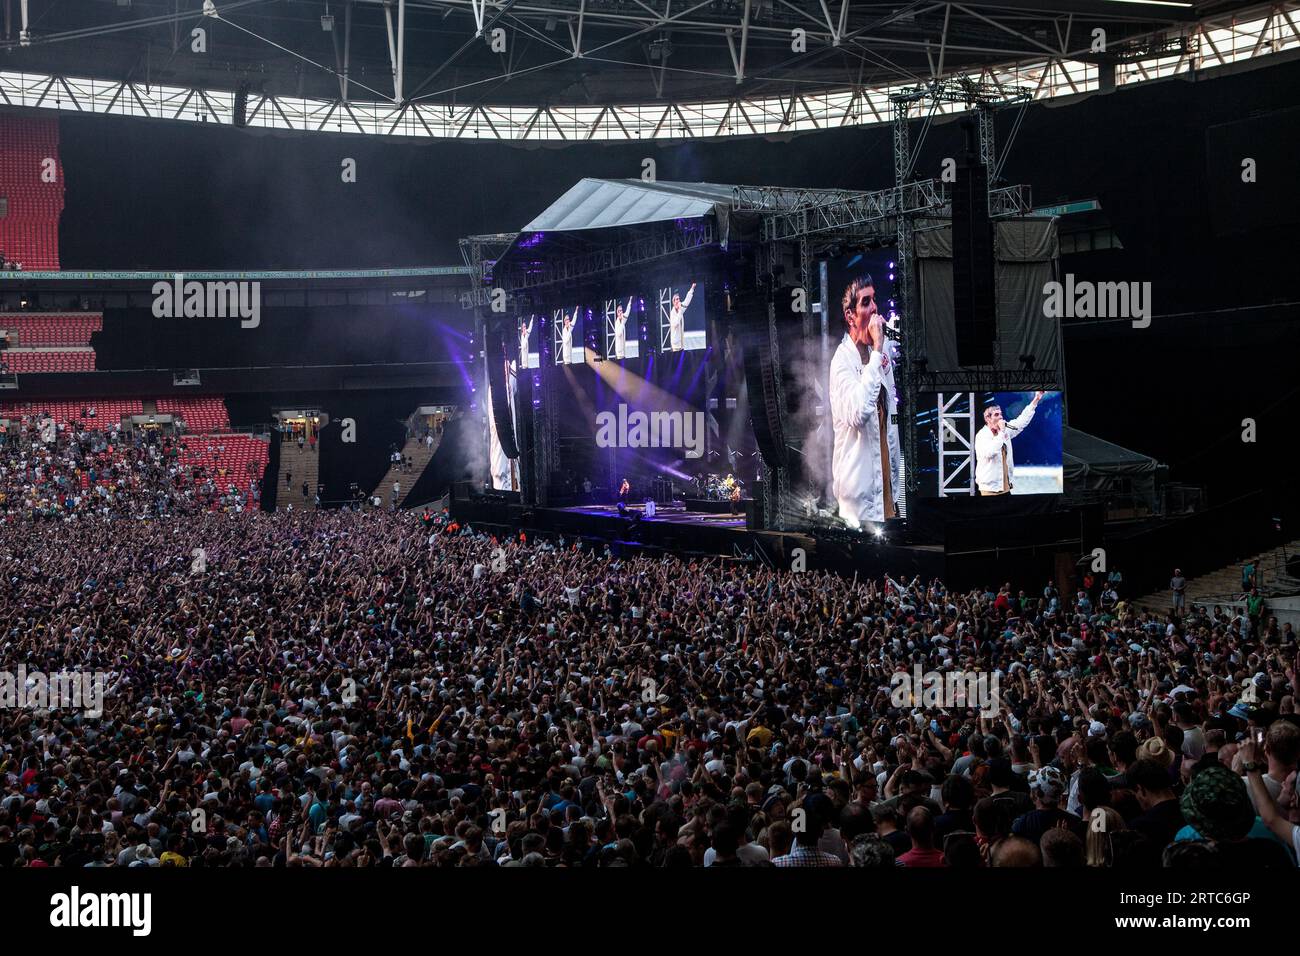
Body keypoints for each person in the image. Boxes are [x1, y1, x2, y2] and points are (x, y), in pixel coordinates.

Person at [829, 275, 899, 530]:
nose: (874, 308)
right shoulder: (841, 362)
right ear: (850, 316)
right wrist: (879, 348)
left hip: (886, 493)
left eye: (875, 300)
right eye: (866, 302)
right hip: (858, 503)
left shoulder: (879, 355)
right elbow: (858, 413)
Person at [974, 392, 1044, 496]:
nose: (1001, 417)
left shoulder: (1005, 430)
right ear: (987, 418)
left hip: (1005, 486)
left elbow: (1021, 422)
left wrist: (1035, 400)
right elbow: (990, 452)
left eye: (1001, 414)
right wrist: (1002, 432)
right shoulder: (982, 435)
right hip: (990, 489)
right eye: (996, 415)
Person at [667, 282, 696, 352]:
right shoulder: (672, 313)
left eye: (679, 299)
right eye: (676, 299)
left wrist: (692, 289)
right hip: (676, 346)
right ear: (673, 302)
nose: (678, 301)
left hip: (681, 344)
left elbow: (686, 301)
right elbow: (676, 323)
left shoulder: (680, 309)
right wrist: (680, 311)